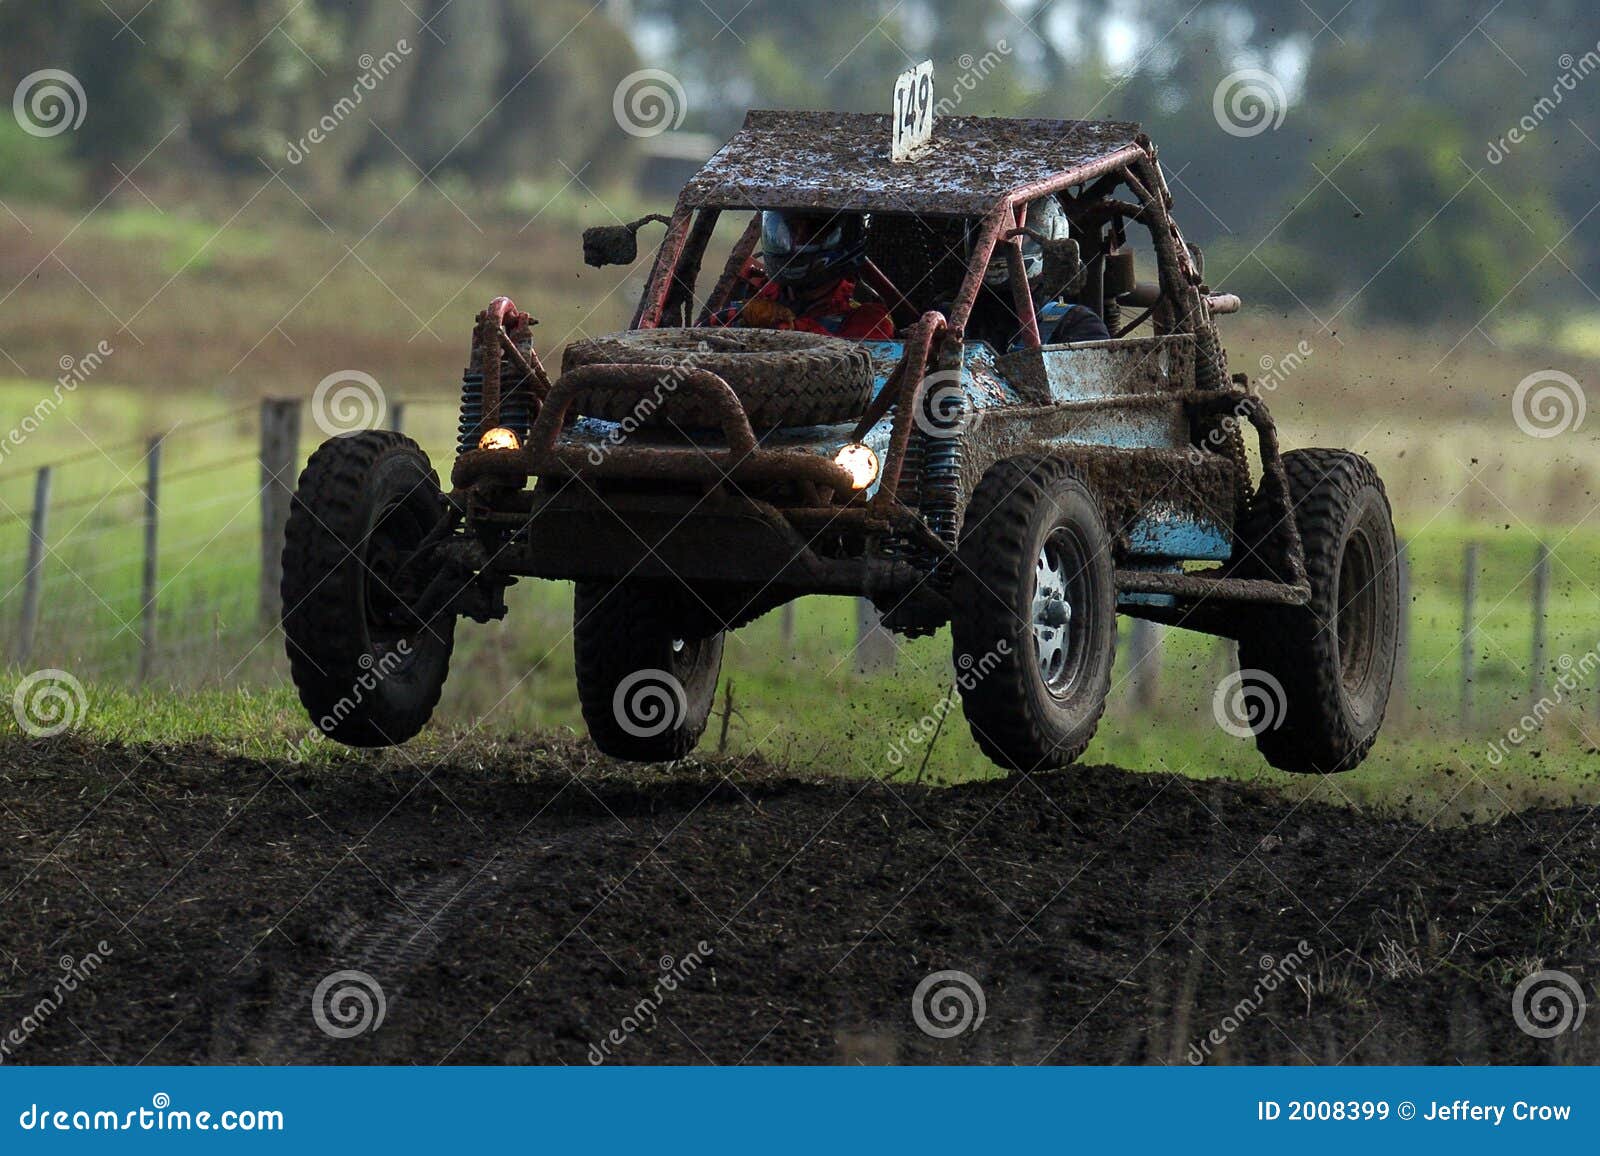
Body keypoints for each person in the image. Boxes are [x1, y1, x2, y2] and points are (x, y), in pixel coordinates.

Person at [708, 210, 894, 340]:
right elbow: (699, 342)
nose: (796, 241)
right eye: (790, 230)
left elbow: (846, 365)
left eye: (814, 232)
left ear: (845, 236)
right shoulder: (757, 292)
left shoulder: (870, 318)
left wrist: (788, 327)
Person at [973, 197, 1110, 348]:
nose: (1000, 245)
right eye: (987, 236)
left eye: (1021, 237)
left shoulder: (1077, 325)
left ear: (1054, 242)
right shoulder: (955, 316)